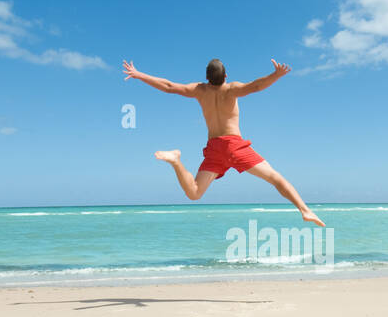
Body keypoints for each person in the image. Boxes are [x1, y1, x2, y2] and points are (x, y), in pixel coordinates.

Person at [123, 56, 324, 226]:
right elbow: (256, 86)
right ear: (226, 76)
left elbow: (168, 86)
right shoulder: (231, 89)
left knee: (194, 193)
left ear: (207, 78)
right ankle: (305, 210)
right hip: (234, 146)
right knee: (275, 178)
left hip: (214, 149)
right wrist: (276, 75)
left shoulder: (199, 90)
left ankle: (176, 160)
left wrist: (139, 74)